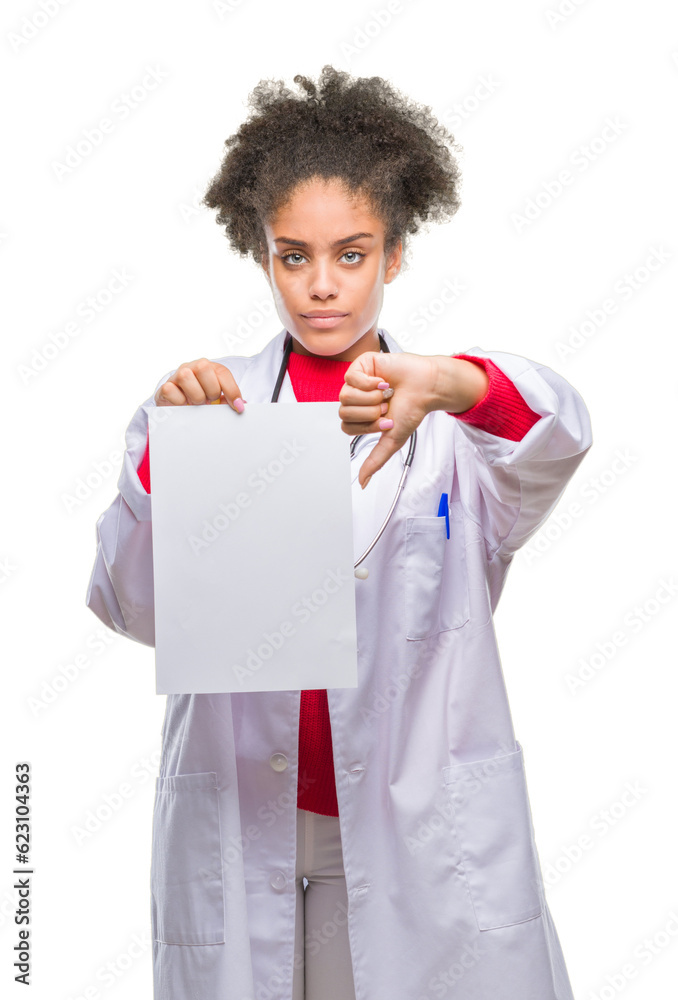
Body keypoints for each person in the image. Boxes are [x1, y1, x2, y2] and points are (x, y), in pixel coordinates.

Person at [86, 65, 592, 1000]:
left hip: (421, 829)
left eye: (351, 254)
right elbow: (130, 606)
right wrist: (168, 459)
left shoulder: (455, 427)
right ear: (261, 252)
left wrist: (454, 383)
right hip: (247, 817)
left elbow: (559, 433)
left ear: (395, 254)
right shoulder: (210, 405)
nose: (322, 288)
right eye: (292, 255)